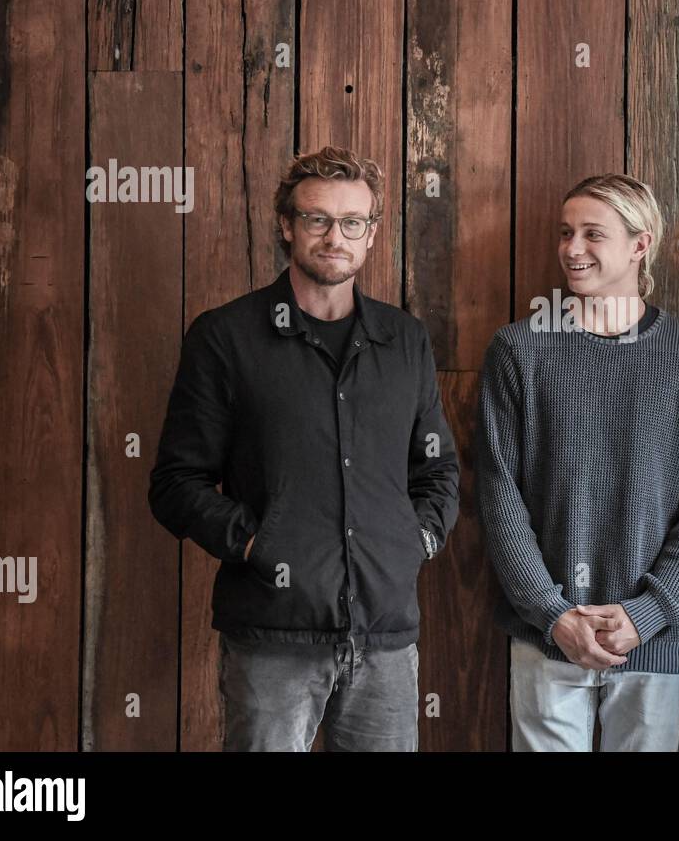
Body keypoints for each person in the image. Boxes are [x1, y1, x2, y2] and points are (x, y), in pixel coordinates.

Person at [148, 145, 459, 751]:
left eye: (351, 223)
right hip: (273, 633)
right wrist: (258, 543)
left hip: (386, 634)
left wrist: (415, 541)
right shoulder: (226, 338)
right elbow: (175, 483)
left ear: (370, 235)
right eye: (316, 219)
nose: (333, 236)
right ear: (286, 225)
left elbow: (437, 467)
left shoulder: (404, 340)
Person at [477, 174, 679, 751]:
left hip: (652, 635)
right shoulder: (521, 351)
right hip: (547, 634)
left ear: (640, 245)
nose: (572, 249)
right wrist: (552, 612)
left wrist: (650, 611)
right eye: (566, 233)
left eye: (594, 234)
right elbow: (499, 494)